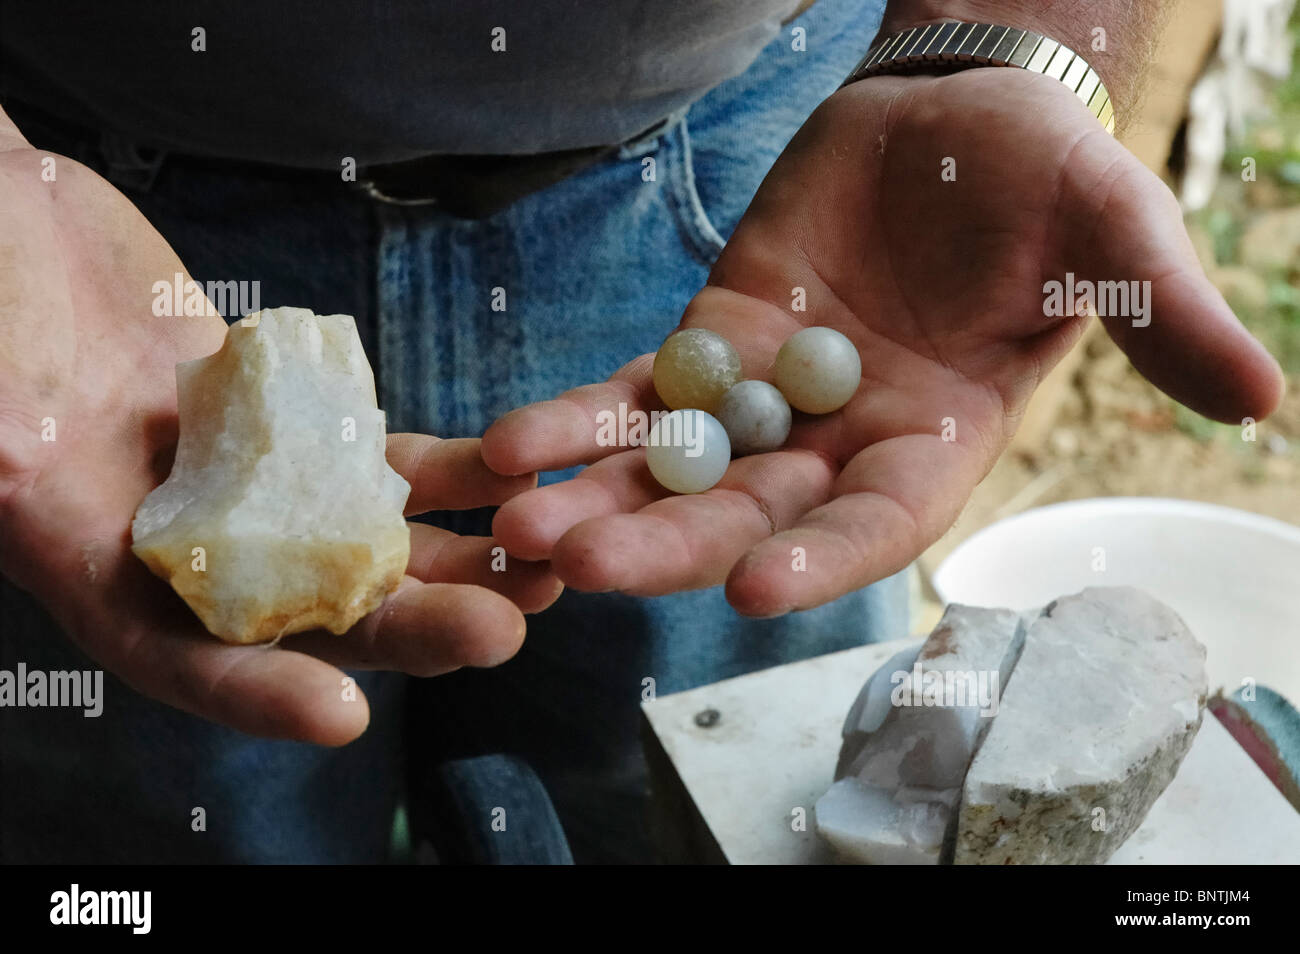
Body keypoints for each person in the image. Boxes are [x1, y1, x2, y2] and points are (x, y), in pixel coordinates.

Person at [0, 0, 1283, 864]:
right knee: (185, 845)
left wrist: (1013, 44)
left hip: (777, 174)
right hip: (83, 216)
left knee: (719, 802)